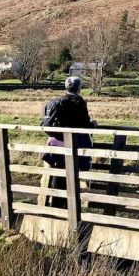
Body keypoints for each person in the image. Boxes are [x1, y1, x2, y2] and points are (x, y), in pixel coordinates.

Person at [40, 76, 94, 206]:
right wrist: (93, 125)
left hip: (55, 142)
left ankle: (55, 206)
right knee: (71, 175)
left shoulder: (57, 102)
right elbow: (84, 124)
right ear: (79, 88)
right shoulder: (78, 102)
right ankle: (68, 207)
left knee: (58, 174)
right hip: (71, 144)